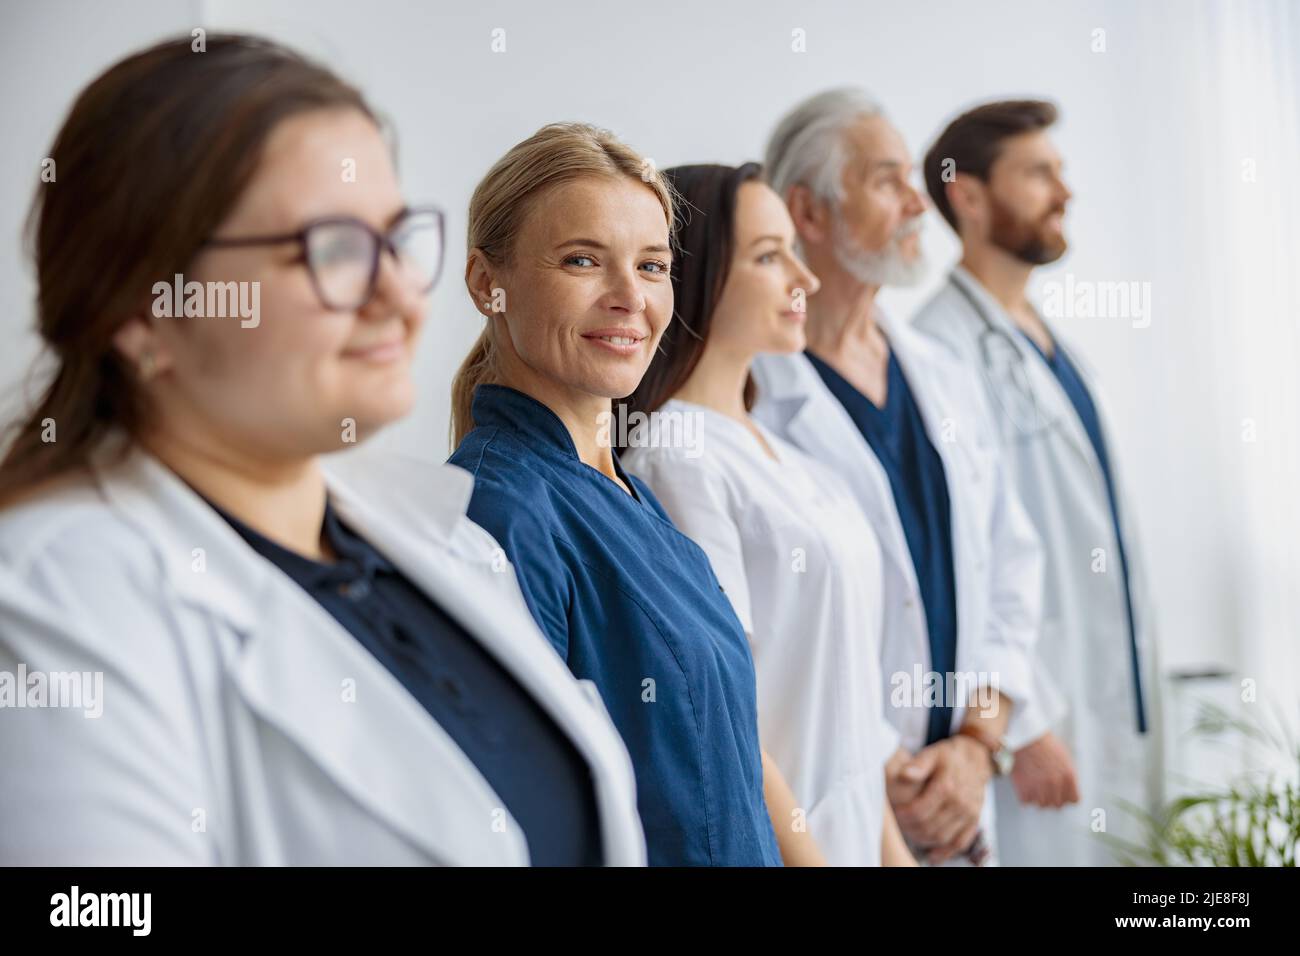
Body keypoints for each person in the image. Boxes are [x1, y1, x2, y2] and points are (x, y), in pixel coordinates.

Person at [0, 35, 644, 866]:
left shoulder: (444, 544)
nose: (399, 294)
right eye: (331, 249)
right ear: (143, 311)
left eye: (395, 240)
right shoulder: (57, 607)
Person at [448, 124, 818, 866]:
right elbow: (520, 826)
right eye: (583, 260)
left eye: (652, 266)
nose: (629, 298)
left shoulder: (629, 498)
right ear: (488, 283)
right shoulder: (500, 513)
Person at [752, 87, 1045, 865]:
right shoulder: (753, 396)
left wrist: (978, 744)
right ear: (808, 213)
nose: (919, 203)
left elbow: (1011, 565)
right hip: (841, 799)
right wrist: (892, 770)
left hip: (964, 796)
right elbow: (764, 637)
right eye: (888, 182)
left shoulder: (942, 373)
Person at [620, 162, 917, 865]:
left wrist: (895, 856)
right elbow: (729, 715)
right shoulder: (676, 457)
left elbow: (848, 699)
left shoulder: (788, 456)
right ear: (694, 275)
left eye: (793, 250)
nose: (804, 277)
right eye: (768, 256)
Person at [913, 99, 1162, 865]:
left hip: (1105, 687)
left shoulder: (1048, 340)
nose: (1065, 191)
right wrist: (1023, 723)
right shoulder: (936, 350)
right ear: (968, 195)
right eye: (1038, 174)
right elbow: (967, 558)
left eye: (1061, 170)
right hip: (1038, 717)